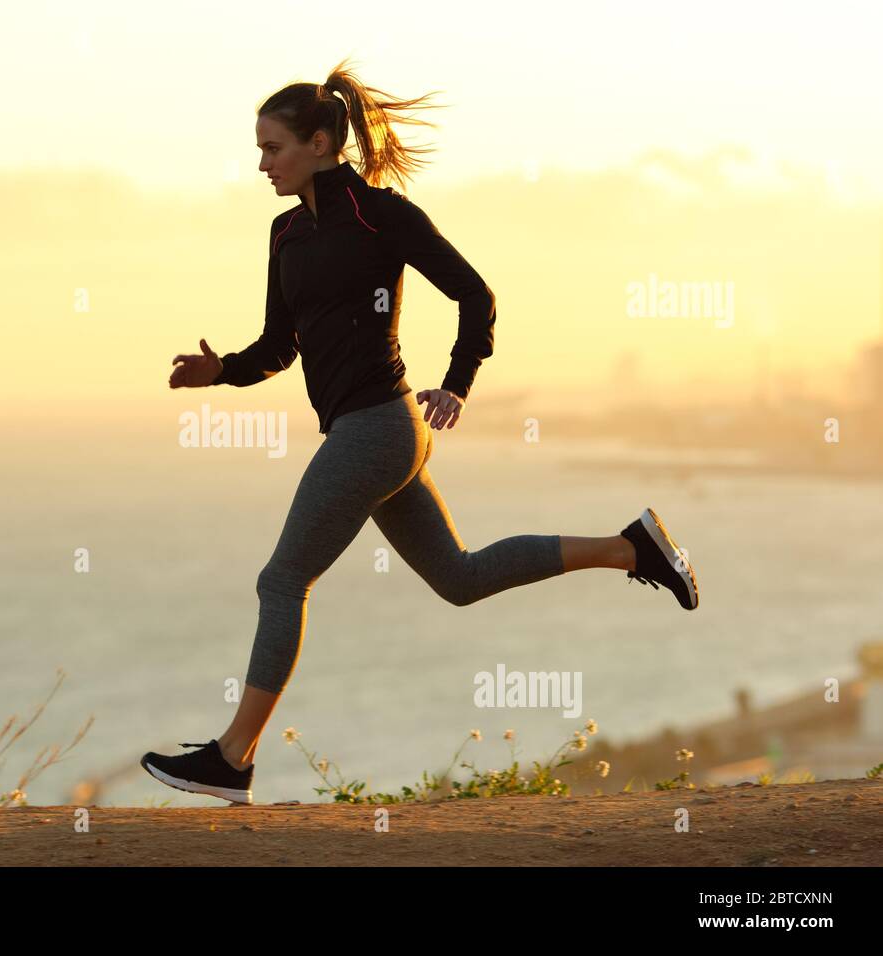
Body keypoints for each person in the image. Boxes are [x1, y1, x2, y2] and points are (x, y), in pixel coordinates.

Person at [142, 59, 699, 805]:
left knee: (282, 581)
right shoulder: (285, 235)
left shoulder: (383, 216)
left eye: (272, 148)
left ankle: (233, 757)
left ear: (319, 142)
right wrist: (224, 373)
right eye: (259, 149)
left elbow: (478, 296)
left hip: (381, 428)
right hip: (373, 435)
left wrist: (459, 382)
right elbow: (282, 343)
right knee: (460, 579)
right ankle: (633, 546)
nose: (261, 164)